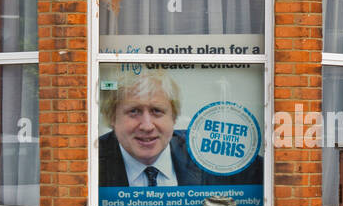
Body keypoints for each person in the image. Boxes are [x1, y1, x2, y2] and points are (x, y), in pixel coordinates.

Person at [97, 68, 262, 189]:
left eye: (157, 111)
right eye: (133, 111)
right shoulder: (90, 162)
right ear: (112, 117)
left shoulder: (207, 153)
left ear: (174, 117)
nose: (147, 126)